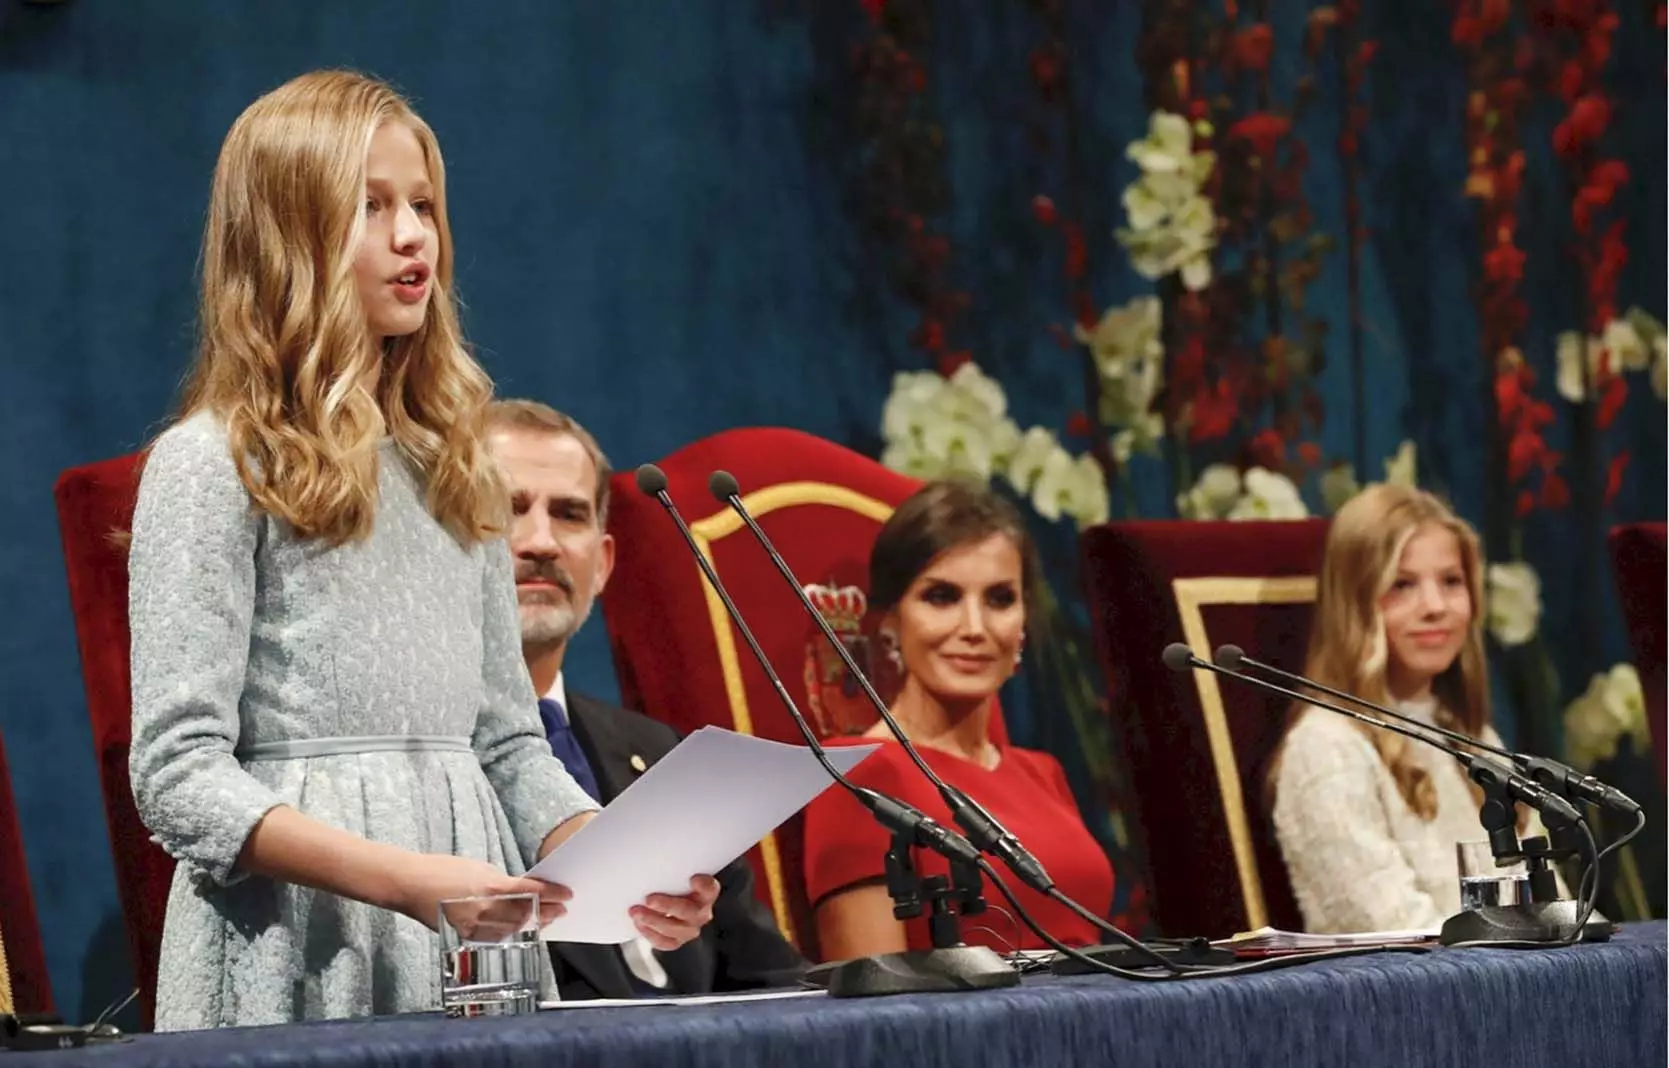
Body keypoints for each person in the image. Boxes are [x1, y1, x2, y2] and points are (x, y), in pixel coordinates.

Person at [127, 70, 716, 1031]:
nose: (413, 237)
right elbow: (178, 776)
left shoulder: (457, 470)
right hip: (302, 941)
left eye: (423, 205)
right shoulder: (210, 462)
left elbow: (507, 739)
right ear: (286, 238)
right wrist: (400, 880)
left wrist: (622, 861)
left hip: (466, 928)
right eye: (369, 208)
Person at [484, 399, 808, 998]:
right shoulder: (429, 761)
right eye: (509, 509)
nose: (541, 542)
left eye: (570, 514)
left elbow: (772, 979)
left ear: (603, 563)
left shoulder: (656, 751)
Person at [799, 480, 1115, 959]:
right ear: (889, 623)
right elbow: (874, 1007)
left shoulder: (1042, 773)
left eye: (1000, 599)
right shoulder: (857, 774)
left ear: (1023, 624)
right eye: (942, 596)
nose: (974, 628)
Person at [1268, 483, 1548, 932]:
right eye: (1402, 584)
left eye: (1451, 581)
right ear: (1354, 603)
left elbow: (1546, 910)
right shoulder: (1326, 747)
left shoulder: (1473, 738)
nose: (1435, 606)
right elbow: (1394, 931)